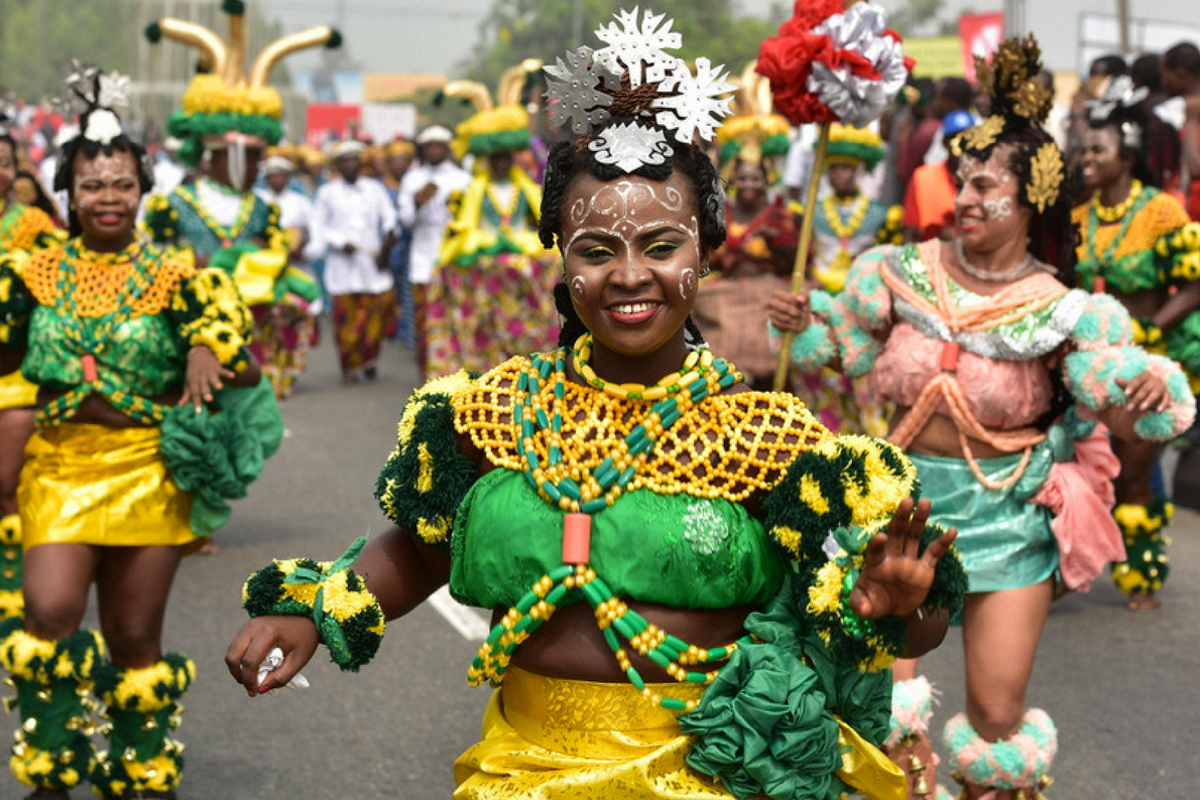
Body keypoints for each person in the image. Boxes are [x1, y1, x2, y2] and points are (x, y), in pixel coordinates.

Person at [226, 11, 967, 800]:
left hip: (708, 773)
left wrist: (892, 604)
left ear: (706, 252)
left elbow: (904, 617)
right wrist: (314, 610)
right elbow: (420, 550)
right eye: (596, 250)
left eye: (660, 246)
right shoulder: (493, 412)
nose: (628, 276)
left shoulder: (768, 439)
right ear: (561, 255)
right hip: (523, 774)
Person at [768, 36, 1195, 800]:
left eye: (983, 185)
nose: (961, 199)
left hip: (1006, 518)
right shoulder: (897, 273)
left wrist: (1148, 394)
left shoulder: (1068, 313)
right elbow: (841, 347)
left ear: (1030, 197)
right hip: (894, 512)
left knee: (997, 721)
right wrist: (804, 321)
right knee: (884, 712)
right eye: (960, 181)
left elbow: (1116, 403)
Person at [0, 67, 278, 800]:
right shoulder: (29, 274)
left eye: (122, 183)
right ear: (67, 191)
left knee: (131, 637)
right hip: (57, 468)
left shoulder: (180, 276)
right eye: (93, 185)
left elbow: (244, 367)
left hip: (145, 469)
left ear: (142, 188)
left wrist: (204, 351)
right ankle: (54, 767)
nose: (108, 197)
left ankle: (141, 770)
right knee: (50, 611)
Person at [142, 5, 339, 399]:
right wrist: (189, 261)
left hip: (251, 337)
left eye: (257, 156)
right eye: (247, 157)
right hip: (193, 335)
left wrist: (269, 254)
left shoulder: (264, 207)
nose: (255, 166)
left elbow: (276, 252)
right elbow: (154, 255)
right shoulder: (174, 203)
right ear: (216, 155)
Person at [1071, 75, 1200, 611]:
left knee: (1135, 473)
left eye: (1098, 149)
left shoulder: (1162, 211)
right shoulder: (1079, 214)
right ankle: (1071, 562)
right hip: (1093, 361)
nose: (1086, 158)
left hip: (1152, 359)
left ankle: (1141, 576)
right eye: (1084, 149)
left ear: (1126, 155)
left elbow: (1195, 283)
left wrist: (1148, 332)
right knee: (1083, 466)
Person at [425, 66, 561, 378]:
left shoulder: (526, 188)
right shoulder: (473, 190)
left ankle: (533, 354)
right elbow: (464, 225)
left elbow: (541, 222)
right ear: (487, 158)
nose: (501, 162)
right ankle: (478, 360)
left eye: (506, 157)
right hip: (483, 254)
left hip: (518, 253)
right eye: (495, 157)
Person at [792, 124, 901, 436]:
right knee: (819, 372)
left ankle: (872, 433)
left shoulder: (881, 214)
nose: (840, 174)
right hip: (821, 300)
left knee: (863, 372)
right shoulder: (810, 213)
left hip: (861, 305)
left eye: (847, 168)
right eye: (835, 168)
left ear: (858, 171)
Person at [0, 120, 60, 620]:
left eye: (3, 163)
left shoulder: (33, 226)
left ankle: (14, 590)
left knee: (8, 485)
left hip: (16, 379)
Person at [692, 148, 798, 390]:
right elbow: (707, 255)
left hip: (769, 288)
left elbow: (797, 260)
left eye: (755, 178)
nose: (748, 184)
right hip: (727, 290)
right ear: (734, 180)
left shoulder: (781, 215)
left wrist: (775, 241)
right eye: (742, 178)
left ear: (766, 181)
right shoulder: (719, 214)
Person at [307, 139, 399, 384]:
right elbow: (319, 225)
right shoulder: (327, 192)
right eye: (344, 161)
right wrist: (338, 242)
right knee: (345, 320)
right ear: (337, 165)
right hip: (342, 268)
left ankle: (369, 360)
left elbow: (389, 215)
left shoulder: (374, 189)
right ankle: (349, 367)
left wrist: (389, 233)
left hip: (371, 263)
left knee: (373, 319)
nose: (350, 165)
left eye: (354, 160)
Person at [396, 125, 470, 374]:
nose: (435, 150)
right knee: (424, 323)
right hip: (422, 262)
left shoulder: (462, 178)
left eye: (439, 145)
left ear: (447, 148)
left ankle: (455, 373)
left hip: (454, 260)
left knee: (454, 319)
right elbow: (404, 221)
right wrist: (416, 203)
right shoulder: (412, 179)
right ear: (424, 150)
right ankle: (427, 373)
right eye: (430, 146)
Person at [253, 154, 322, 398]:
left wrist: (302, 251)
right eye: (272, 175)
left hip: (297, 274)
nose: (277, 179)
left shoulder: (301, 203)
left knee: (298, 323)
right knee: (269, 326)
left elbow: (317, 237)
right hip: (266, 277)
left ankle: (291, 372)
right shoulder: (257, 202)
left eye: (281, 175)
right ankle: (270, 374)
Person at [902, 110, 976, 243]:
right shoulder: (923, 177)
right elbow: (910, 230)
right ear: (944, 142)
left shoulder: (984, 181)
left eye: (967, 139)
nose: (960, 144)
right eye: (954, 138)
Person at [1161, 42, 1200, 220]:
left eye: (1165, 74)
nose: (1163, 81)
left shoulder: (1178, 110)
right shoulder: (1174, 108)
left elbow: (1195, 167)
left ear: (1181, 74)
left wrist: (1191, 121)